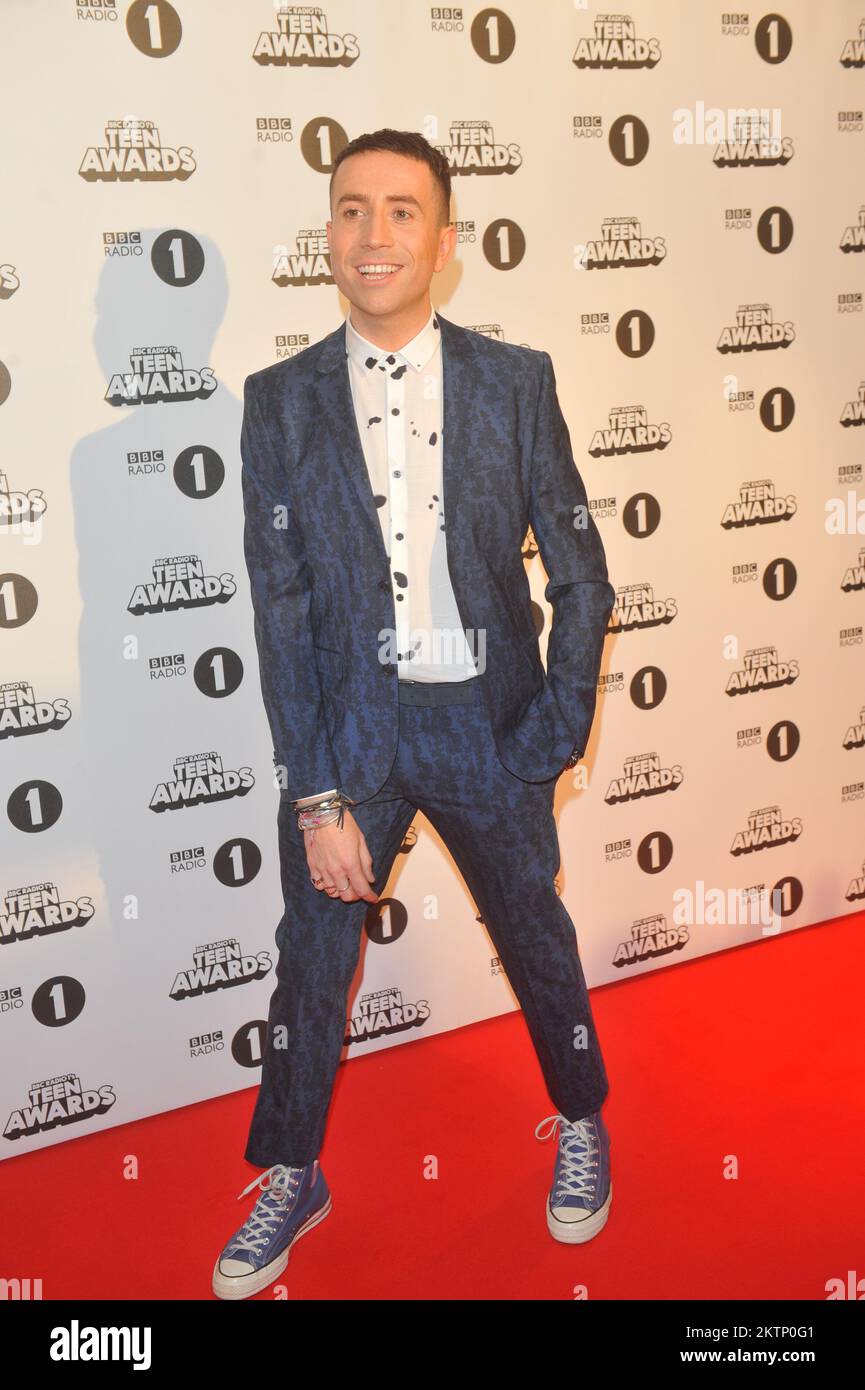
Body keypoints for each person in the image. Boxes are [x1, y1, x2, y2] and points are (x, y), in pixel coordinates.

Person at [212, 129, 616, 1301]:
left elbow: (583, 575)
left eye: (400, 211)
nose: (372, 233)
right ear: (327, 235)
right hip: (350, 737)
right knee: (311, 956)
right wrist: (315, 794)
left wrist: (552, 731)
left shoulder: (514, 381)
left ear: (443, 242)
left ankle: (581, 1115)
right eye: (351, 209)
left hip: (491, 723)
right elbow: (282, 610)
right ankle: (293, 1169)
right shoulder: (278, 403)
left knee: (533, 934)